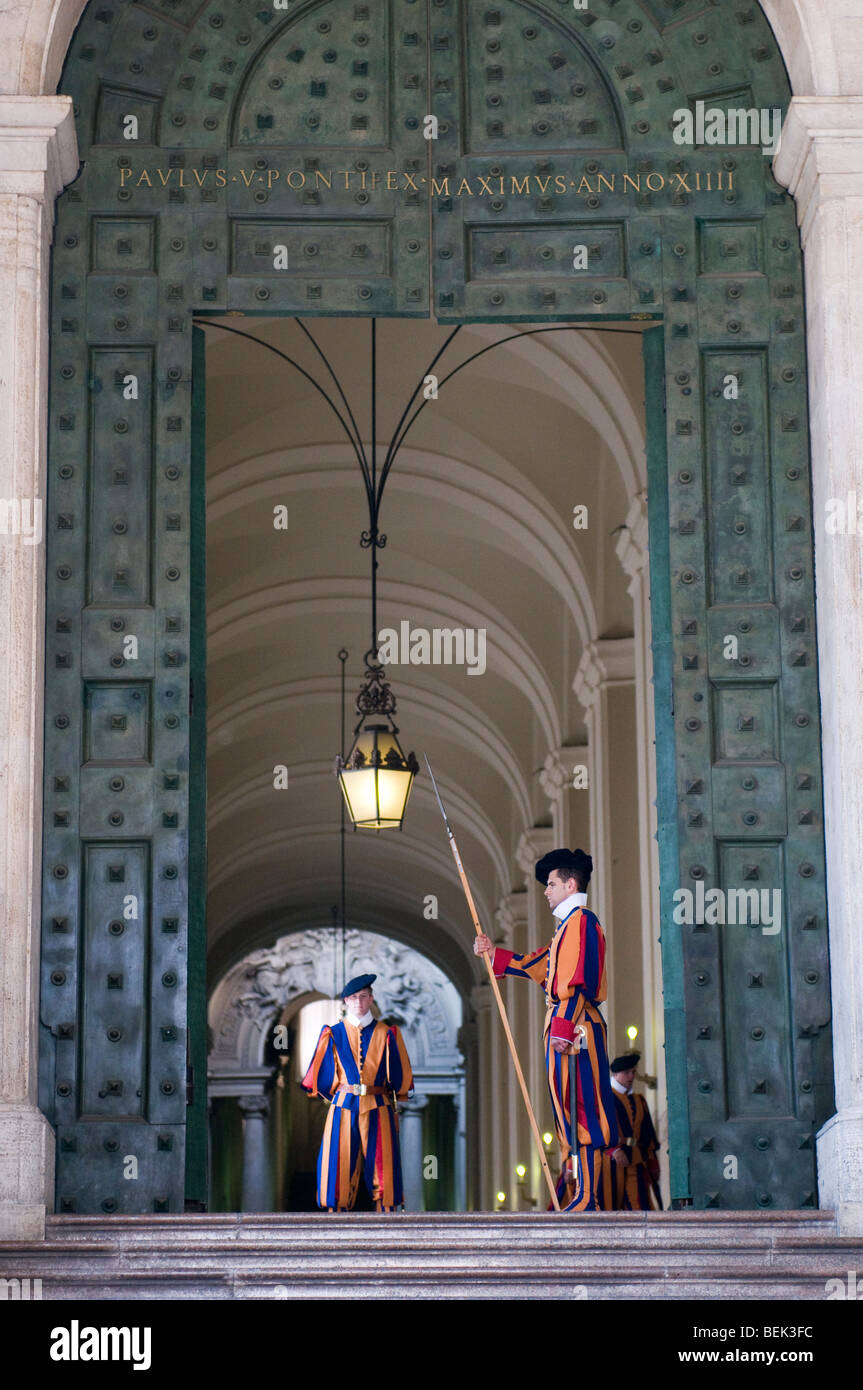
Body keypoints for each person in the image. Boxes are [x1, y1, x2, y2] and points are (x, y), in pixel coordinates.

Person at [474, 848, 621, 1212]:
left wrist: (562, 1027)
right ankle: (584, 1194)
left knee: (584, 1107)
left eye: (552, 883)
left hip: (577, 1030)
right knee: (569, 1110)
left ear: (571, 884)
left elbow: (578, 981)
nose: (546, 890)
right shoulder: (565, 929)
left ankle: (588, 1197)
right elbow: (537, 965)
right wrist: (493, 955)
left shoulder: (582, 922)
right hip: (568, 1029)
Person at [301, 973, 413, 1212]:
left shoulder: (387, 1033)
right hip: (343, 1103)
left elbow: (399, 1074)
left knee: (383, 1162)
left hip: (378, 1101)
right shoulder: (333, 1033)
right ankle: (336, 1214)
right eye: (354, 997)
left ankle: (387, 1213)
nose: (359, 1002)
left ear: (371, 999)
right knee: (338, 1161)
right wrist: (337, 1096)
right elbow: (321, 1076)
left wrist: (397, 1095)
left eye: (363, 997)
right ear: (346, 1001)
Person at [602, 1051, 662, 1211]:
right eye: (626, 1072)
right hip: (611, 1164)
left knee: (641, 1206)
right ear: (615, 1074)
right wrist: (613, 1149)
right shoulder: (604, 1098)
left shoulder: (639, 1100)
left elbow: (647, 1133)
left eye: (633, 1072)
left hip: (637, 1162)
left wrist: (653, 1161)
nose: (631, 1076)